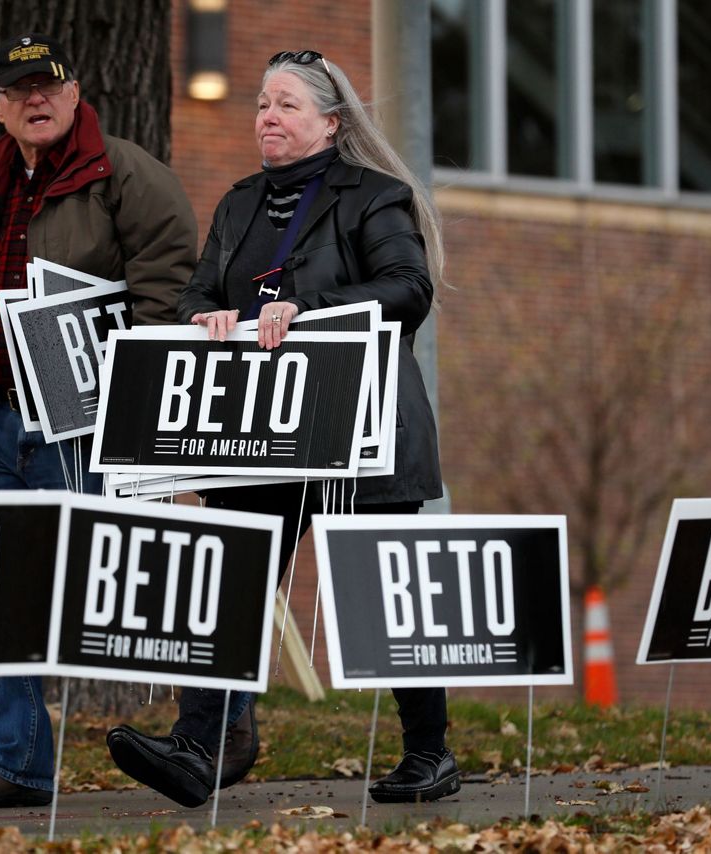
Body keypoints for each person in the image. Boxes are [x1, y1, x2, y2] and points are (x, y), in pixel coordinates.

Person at [105, 50, 455, 807]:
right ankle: (201, 746)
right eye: (263, 103)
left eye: (287, 104)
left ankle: (430, 753)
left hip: (361, 425)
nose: (268, 115)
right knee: (226, 574)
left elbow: (408, 290)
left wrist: (306, 311)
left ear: (331, 122)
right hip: (260, 429)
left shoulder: (376, 196)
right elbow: (195, 293)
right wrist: (207, 317)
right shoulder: (237, 205)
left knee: (381, 593)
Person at [0, 33, 198, 810]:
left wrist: (133, 406)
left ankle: (221, 723)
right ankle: (12, 763)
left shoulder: (124, 172)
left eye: (49, 86)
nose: (37, 99)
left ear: (75, 94)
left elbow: (169, 291)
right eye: (20, 91)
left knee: (142, 581)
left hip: (92, 423)